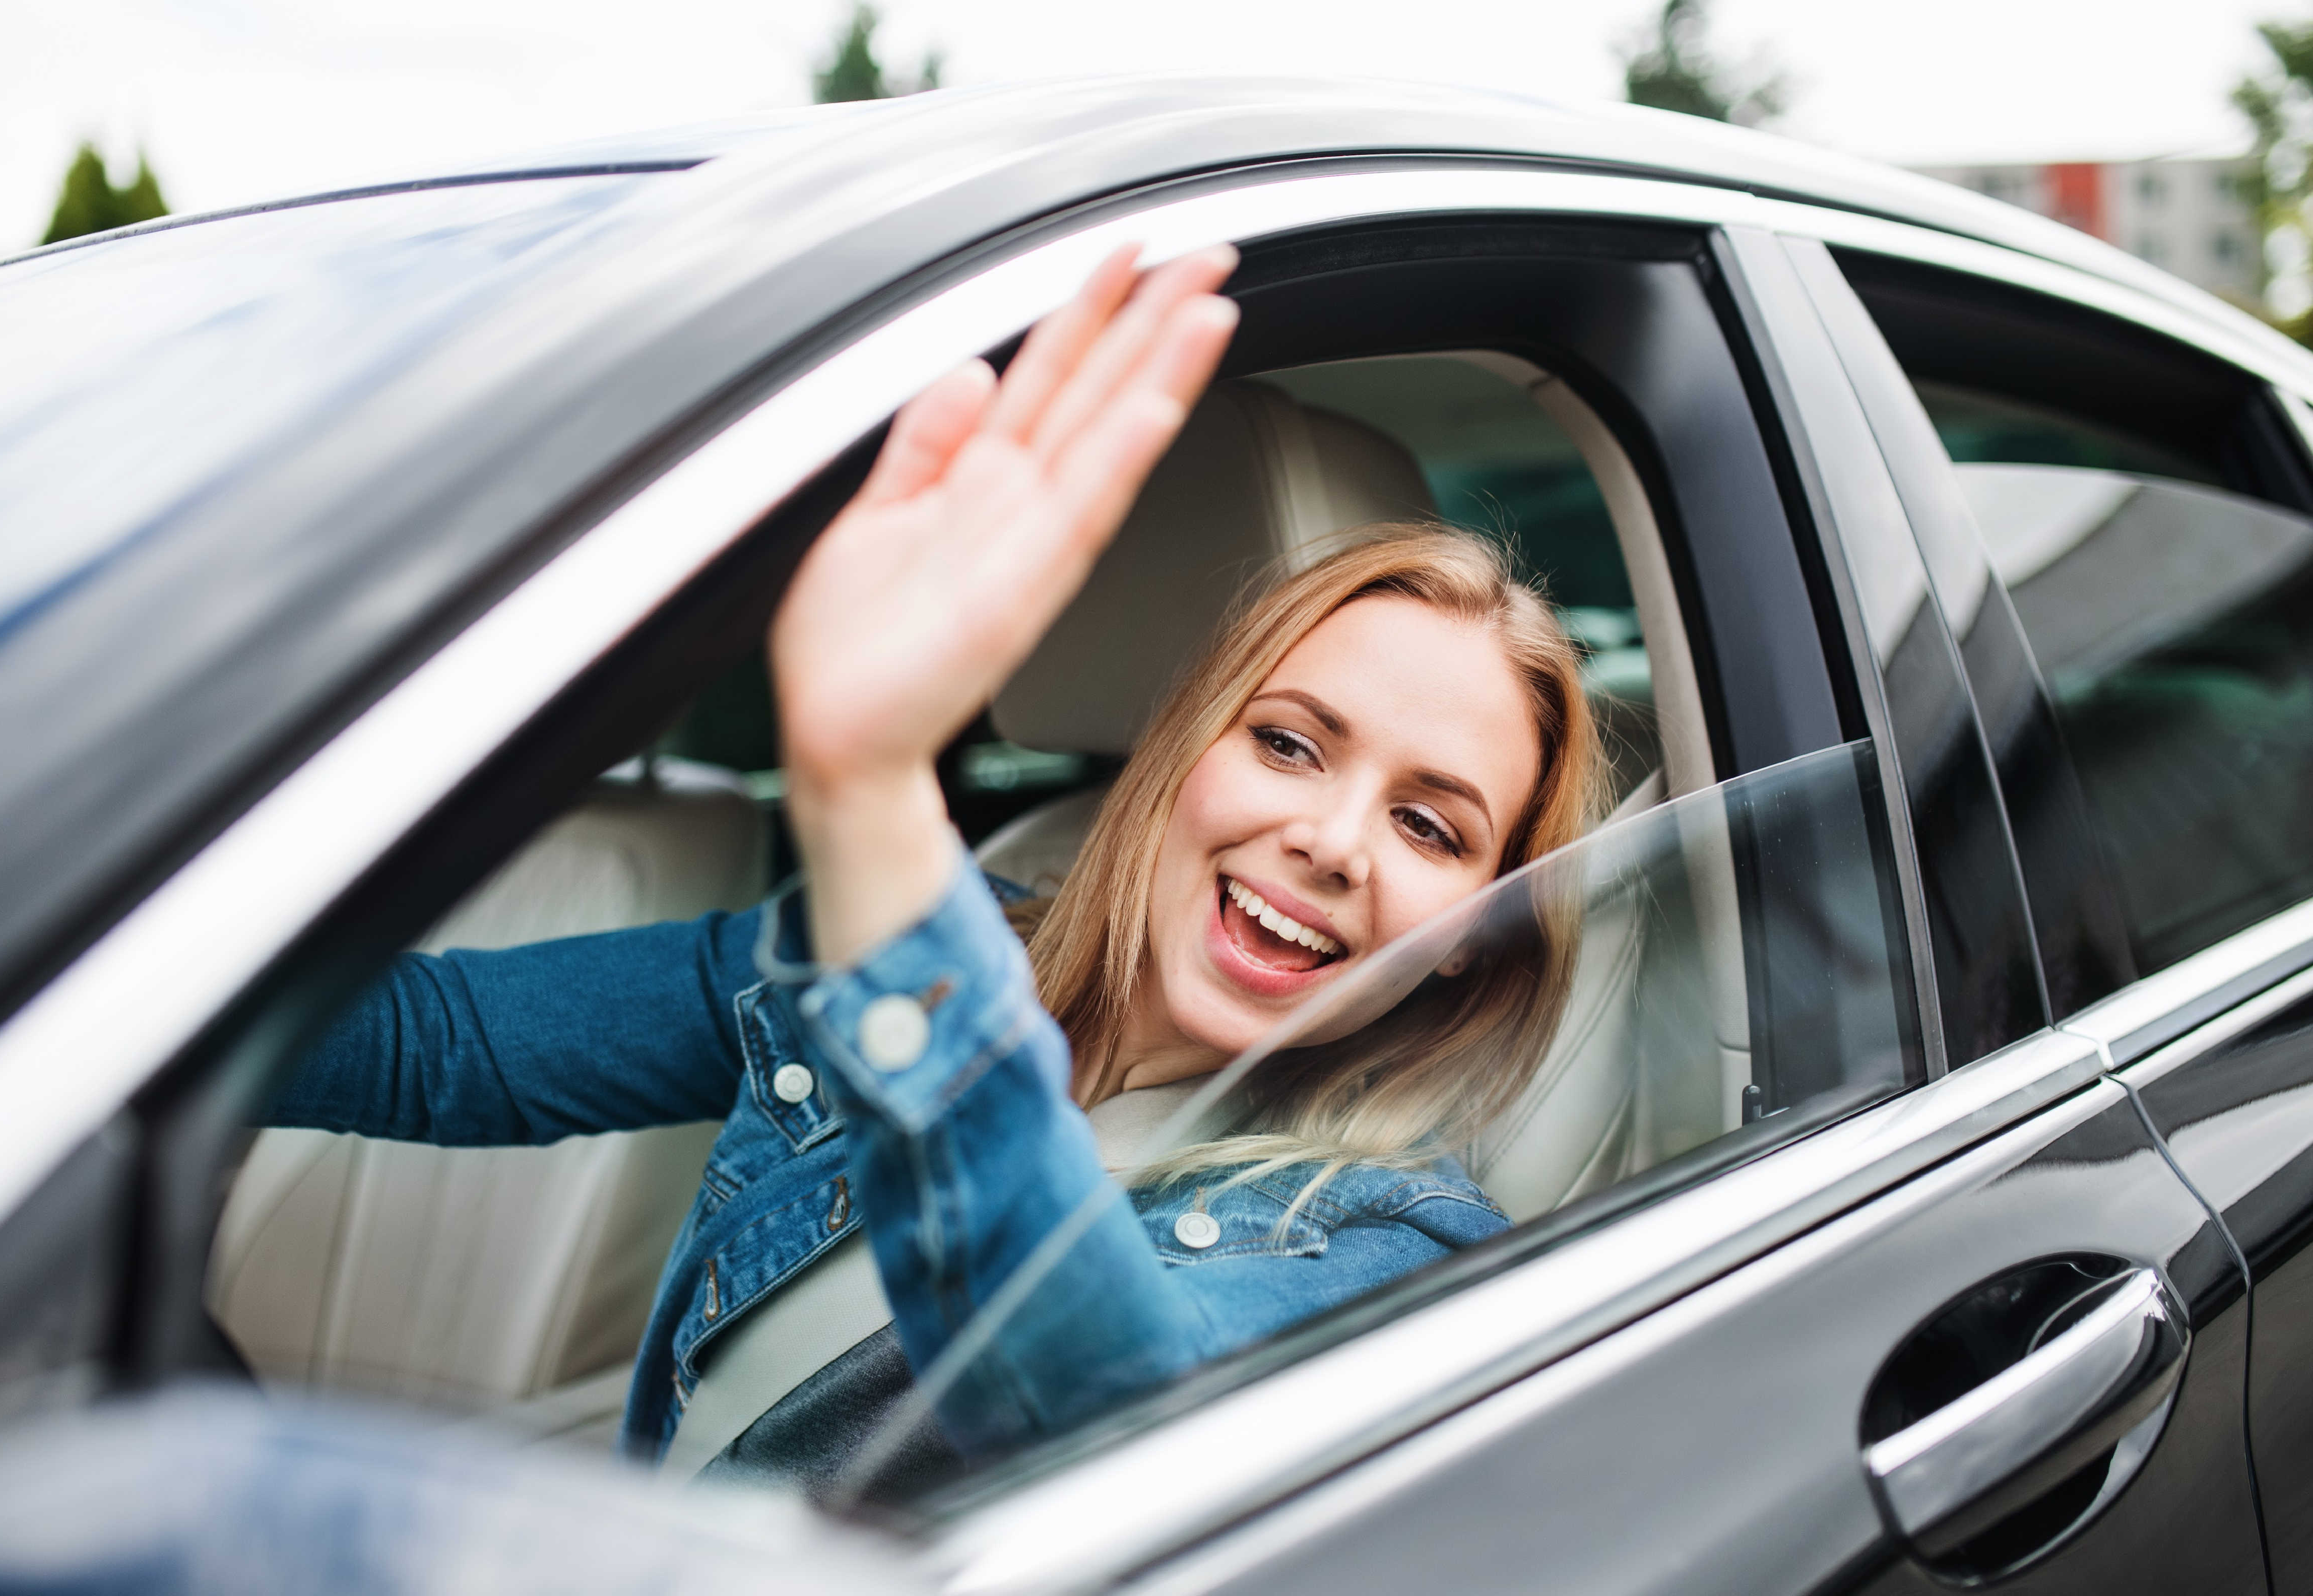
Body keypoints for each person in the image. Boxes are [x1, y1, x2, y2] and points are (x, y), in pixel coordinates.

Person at [270, 244, 1603, 1478]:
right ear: (1181, 750)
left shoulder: (1401, 1253)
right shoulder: (882, 949)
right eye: (1292, 745)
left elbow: (1093, 1404)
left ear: (1477, 931)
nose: (1331, 841)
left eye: (1431, 826)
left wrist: (873, 798)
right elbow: (445, 1046)